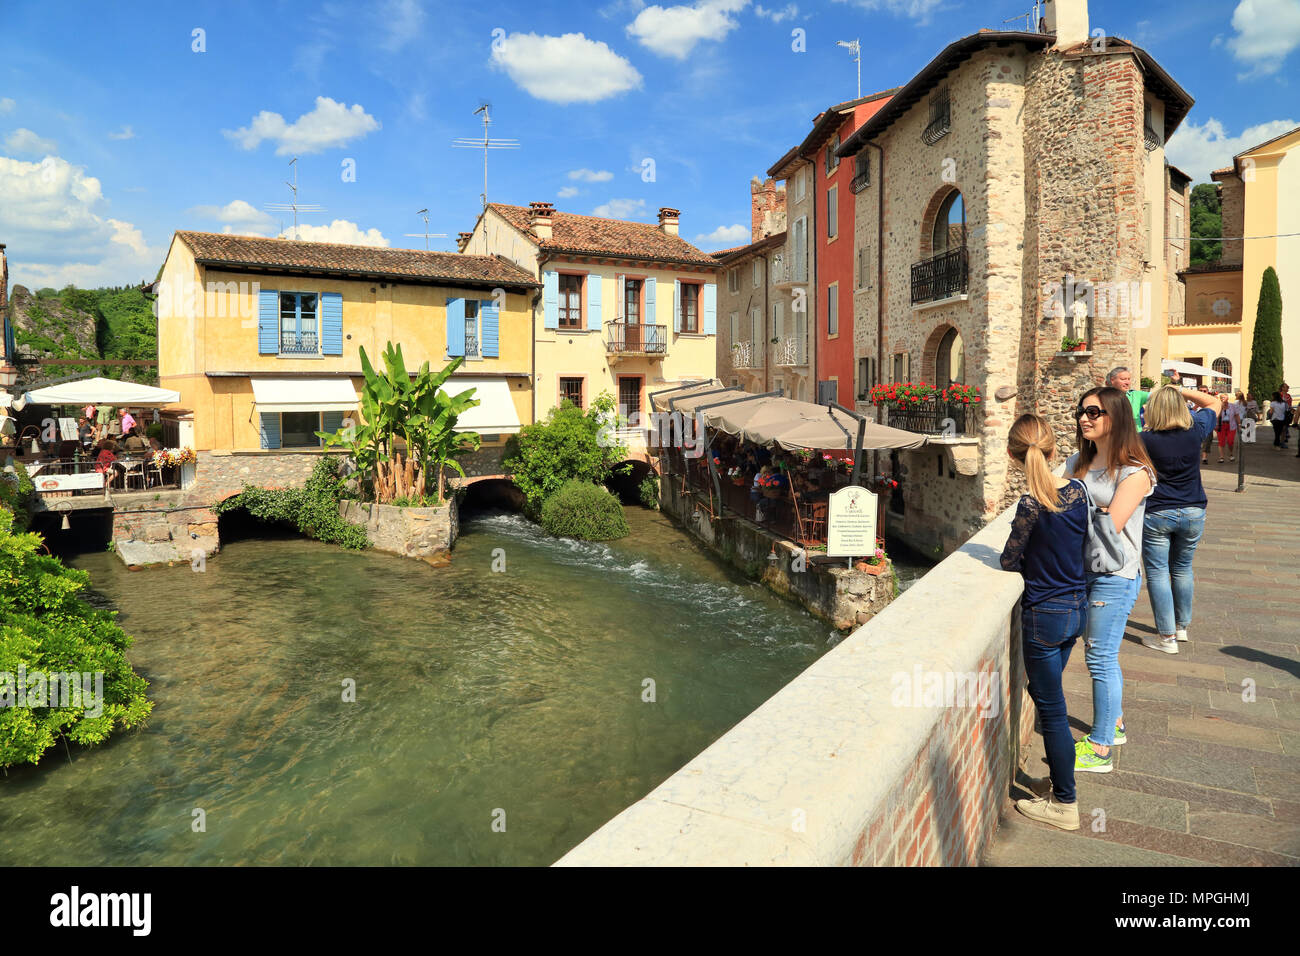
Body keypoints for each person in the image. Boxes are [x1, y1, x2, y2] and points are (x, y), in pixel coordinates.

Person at [1000, 414, 1089, 831]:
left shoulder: (1030, 504)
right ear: (1054, 450)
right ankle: (1057, 784)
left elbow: (1008, 558)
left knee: (1052, 710)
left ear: (1014, 457)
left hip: (1045, 613)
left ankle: (1066, 804)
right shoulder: (1079, 492)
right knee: (1046, 695)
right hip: (1077, 608)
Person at [1064, 386, 1157, 774]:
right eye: (1081, 412)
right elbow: (1055, 505)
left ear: (1115, 418)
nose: (1084, 418)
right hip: (1080, 571)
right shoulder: (1076, 463)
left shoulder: (1136, 473)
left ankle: (1100, 748)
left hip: (1115, 577)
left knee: (1099, 657)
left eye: (1093, 412)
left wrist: (1080, 508)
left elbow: (1110, 524)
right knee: (1102, 653)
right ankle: (1113, 725)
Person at [1139, 385, 1223, 654]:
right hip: (1193, 509)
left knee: (1158, 573)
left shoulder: (1144, 439)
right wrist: (1181, 392)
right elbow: (1214, 403)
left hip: (1158, 511)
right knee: (1183, 568)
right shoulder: (1195, 431)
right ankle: (1182, 626)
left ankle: (1167, 637)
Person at [1215, 392, 1240, 463]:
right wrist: (1221, 408)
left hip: (1231, 425)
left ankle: (1231, 454)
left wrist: (1239, 424)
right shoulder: (1218, 406)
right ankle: (1221, 457)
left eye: (1224, 397)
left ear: (1227, 398)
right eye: (1221, 398)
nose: (1222, 399)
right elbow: (1217, 416)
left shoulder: (1233, 406)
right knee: (1221, 441)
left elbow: (1236, 415)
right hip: (1221, 425)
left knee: (1230, 441)